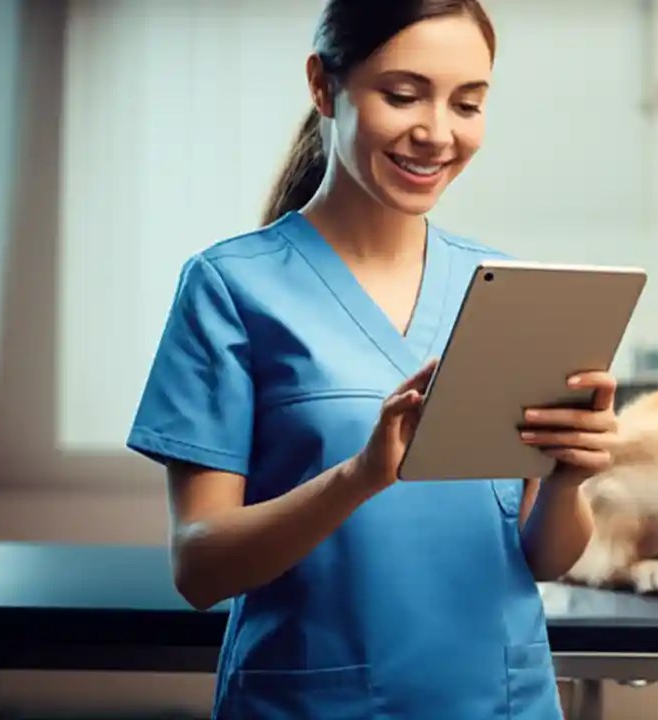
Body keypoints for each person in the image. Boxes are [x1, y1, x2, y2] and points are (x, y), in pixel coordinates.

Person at [126, 1, 614, 717]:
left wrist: (570, 480)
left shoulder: (508, 291)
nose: (438, 133)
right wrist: (360, 477)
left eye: (468, 103)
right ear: (324, 87)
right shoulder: (233, 287)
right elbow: (199, 568)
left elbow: (540, 555)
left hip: (501, 701)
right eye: (403, 94)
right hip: (317, 701)